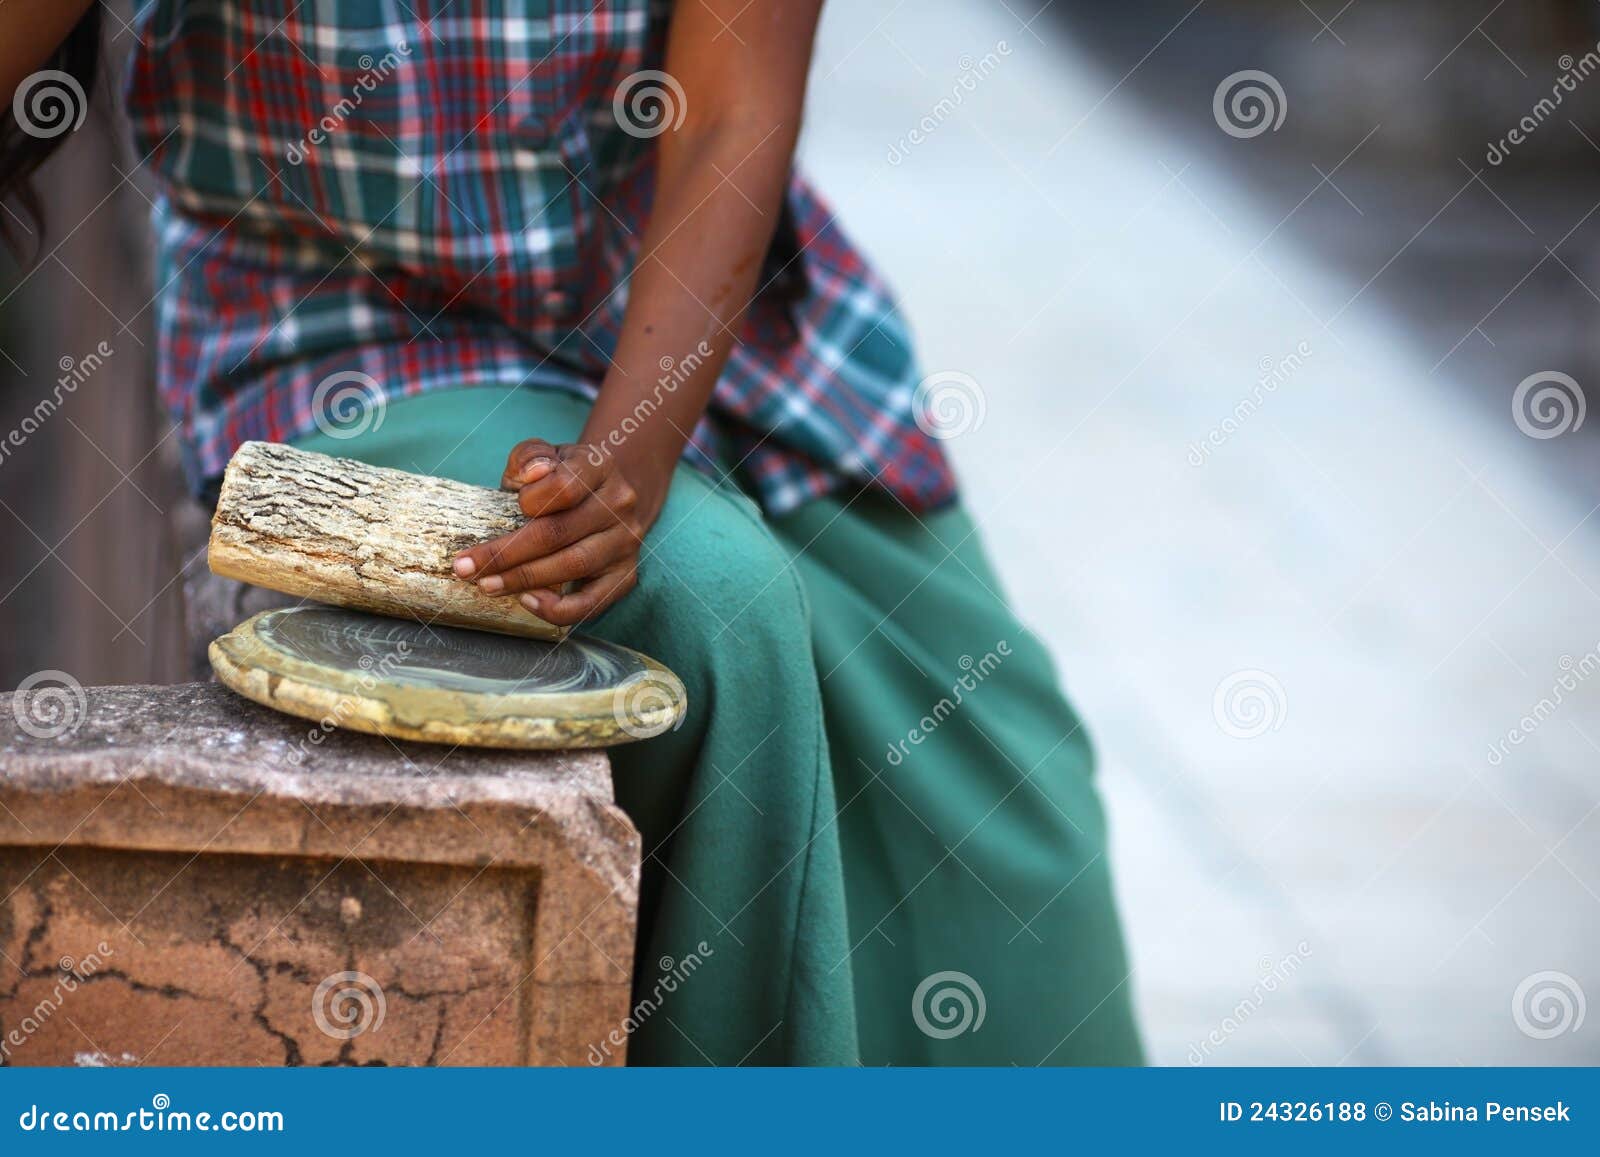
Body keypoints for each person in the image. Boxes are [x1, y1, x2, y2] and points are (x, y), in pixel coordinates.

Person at [1, 0, 1142, 1065]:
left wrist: (629, 457)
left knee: (1006, 799)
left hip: (704, 313)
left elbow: (732, 111)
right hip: (349, 324)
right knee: (710, 606)